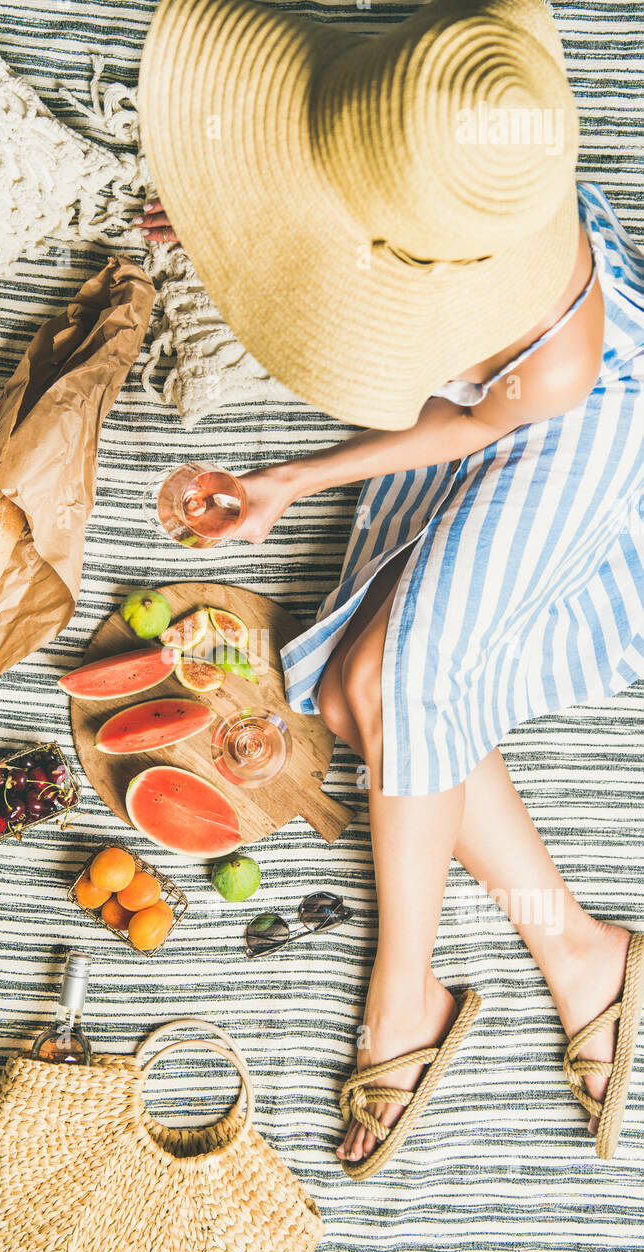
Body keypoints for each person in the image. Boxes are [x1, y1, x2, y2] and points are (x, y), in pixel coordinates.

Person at [138, 0, 644, 1176]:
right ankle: (577, 951)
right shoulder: (429, 106)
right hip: (492, 396)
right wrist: (225, 217)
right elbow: (300, 162)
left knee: (392, 683)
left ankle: (402, 993)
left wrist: (295, 479)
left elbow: (466, 425)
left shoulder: (553, 352)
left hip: (573, 430)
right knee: (366, 693)